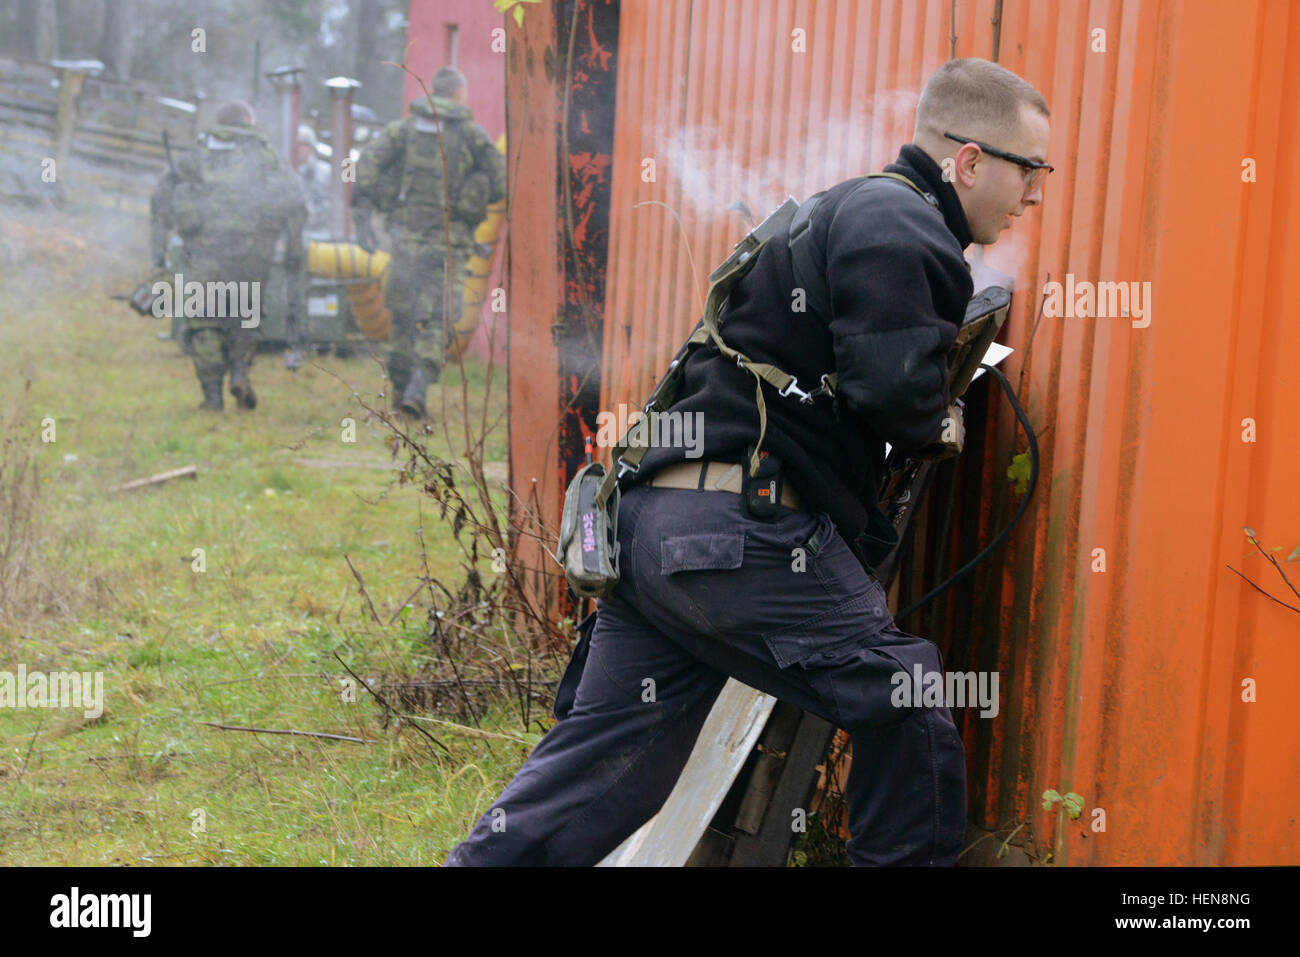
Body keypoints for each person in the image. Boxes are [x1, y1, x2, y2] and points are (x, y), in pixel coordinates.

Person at [443, 58, 1053, 867]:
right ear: (969, 161)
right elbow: (892, 392)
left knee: (614, 768)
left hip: (656, 533)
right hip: (733, 533)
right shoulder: (902, 223)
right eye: (1029, 171)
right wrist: (942, 412)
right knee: (908, 692)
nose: (1034, 196)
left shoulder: (845, 210)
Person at [352, 66, 505, 418]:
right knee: (440, 318)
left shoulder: (401, 131)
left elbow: (367, 169)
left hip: (404, 241)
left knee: (402, 317)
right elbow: (498, 182)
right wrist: (471, 197)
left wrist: (368, 216)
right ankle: (418, 388)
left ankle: (401, 396)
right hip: (449, 246)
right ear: (458, 95)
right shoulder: (471, 135)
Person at [150, 101, 307, 411]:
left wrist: (158, 254)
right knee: (245, 315)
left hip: (206, 252)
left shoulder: (196, 156)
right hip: (253, 253)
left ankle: (211, 396)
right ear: (248, 122)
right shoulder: (266, 155)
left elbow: (160, 202)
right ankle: (239, 373)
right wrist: (293, 252)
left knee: (204, 321)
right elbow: (295, 202)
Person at [294, 125, 333, 234]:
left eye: (302, 145)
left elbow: (330, 205)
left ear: (310, 147)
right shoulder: (288, 171)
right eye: (296, 145)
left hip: (320, 234)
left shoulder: (325, 172)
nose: (297, 149)